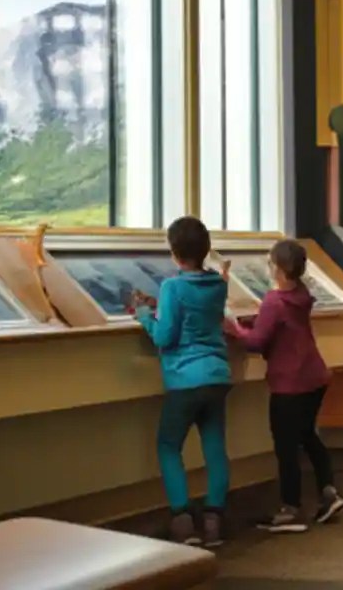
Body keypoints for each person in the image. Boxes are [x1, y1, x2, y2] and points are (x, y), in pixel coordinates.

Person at [224, 240, 343, 533]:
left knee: (285, 446)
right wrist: (258, 320)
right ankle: (328, 490)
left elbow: (256, 342)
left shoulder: (274, 301)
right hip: (315, 376)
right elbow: (281, 324)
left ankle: (290, 509)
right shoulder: (301, 295)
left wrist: (233, 329)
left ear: (277, 268)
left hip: (289, 383)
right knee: (308, 435)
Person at [135, 216, 232, 547]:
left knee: (168, 446)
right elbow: (201, 313)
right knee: (215, 448)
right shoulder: (219, 284)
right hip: (217, 375)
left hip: (185, 379)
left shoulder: (171, 287)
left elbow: (165, 336)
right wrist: (159, 305)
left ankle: (182, 521)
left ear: (174, 253)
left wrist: (146, 317)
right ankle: (214, 521)